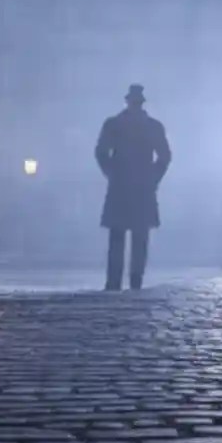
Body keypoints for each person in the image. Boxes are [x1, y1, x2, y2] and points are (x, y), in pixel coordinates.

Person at [95, 84, 171, 291]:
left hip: (125, 186)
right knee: (135, 239)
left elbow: (101, 152)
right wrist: (152, 178)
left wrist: (112, 173)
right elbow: (164, 157)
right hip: (139, 187)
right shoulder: (152, 126)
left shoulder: (114, 124)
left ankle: (117, 281)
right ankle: (129, 281)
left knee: (125, 238)